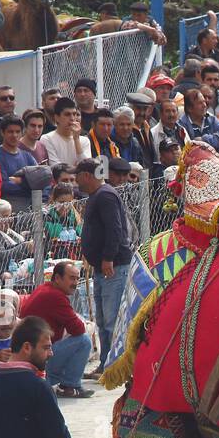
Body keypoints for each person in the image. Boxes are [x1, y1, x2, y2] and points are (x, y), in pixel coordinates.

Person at [75, 158, 132, 373]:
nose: (76, 182)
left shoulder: (105, 196)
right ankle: (106, 363)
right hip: (102, 267)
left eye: (78, 177)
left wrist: (108, 257)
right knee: (102, 319)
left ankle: (115, 365)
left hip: (113, 266)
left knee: (111, 319)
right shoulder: (95, 196)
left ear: (87, 175)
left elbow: (114, 229)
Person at [19, 260, 93, 398]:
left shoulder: (46, 288)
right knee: (84, 341)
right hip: (37, 357)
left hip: (31, 353)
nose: (75, 283)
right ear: (58, 278)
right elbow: (78, 329)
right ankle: (69, 385)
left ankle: (61, 381)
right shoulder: (55, 296)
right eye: (71, 278)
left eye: (77, 278)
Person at [0, 116, 38, 214]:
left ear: (22, 133)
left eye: (18, 131)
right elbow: (4, 186)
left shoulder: (27, 156)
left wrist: (21, 181)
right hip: (9, 210)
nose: (14, 135)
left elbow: (41, 179)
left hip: (32, 207)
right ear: (2, 133)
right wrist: (29, 184)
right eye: (10, 132)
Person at [41, 97, 93, 167]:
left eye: (74, 114)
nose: (72, 118)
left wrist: (76, 139)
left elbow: (87, 168)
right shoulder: (47, 139)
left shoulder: (84, 140)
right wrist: (76, 168)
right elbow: (55, 167)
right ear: (57, 118)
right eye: (67, 114)